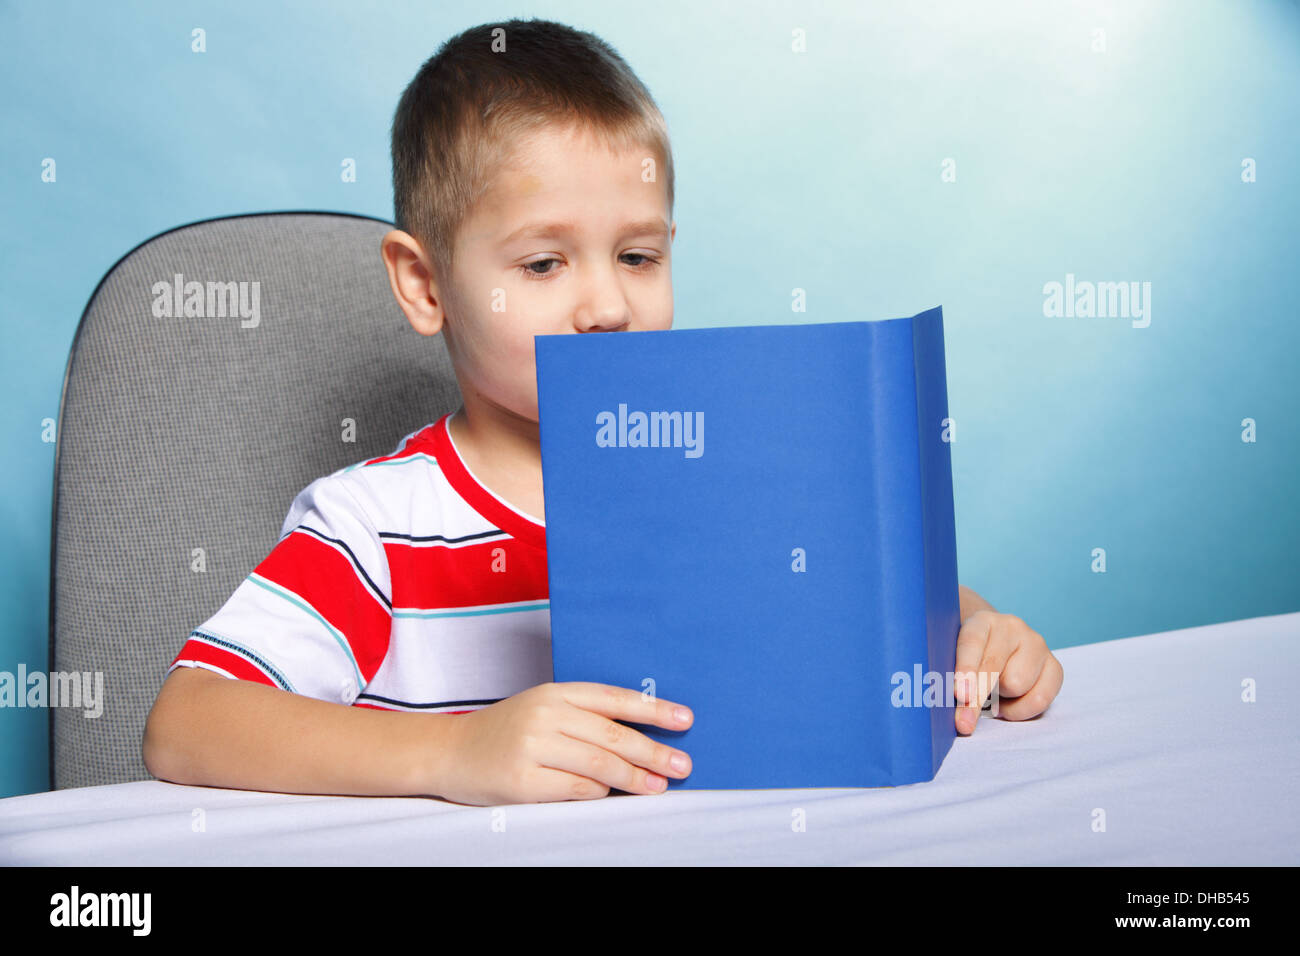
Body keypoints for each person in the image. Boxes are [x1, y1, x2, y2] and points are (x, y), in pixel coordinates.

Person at [143, 17, 1063, 807]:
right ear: (424, 286)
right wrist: (452, 754)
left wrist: (970, 629)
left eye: (637, 257)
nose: (608, 307)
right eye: (544, 264)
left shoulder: (717, 483)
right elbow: (187, 723)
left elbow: (848, 608)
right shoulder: (377, 528)